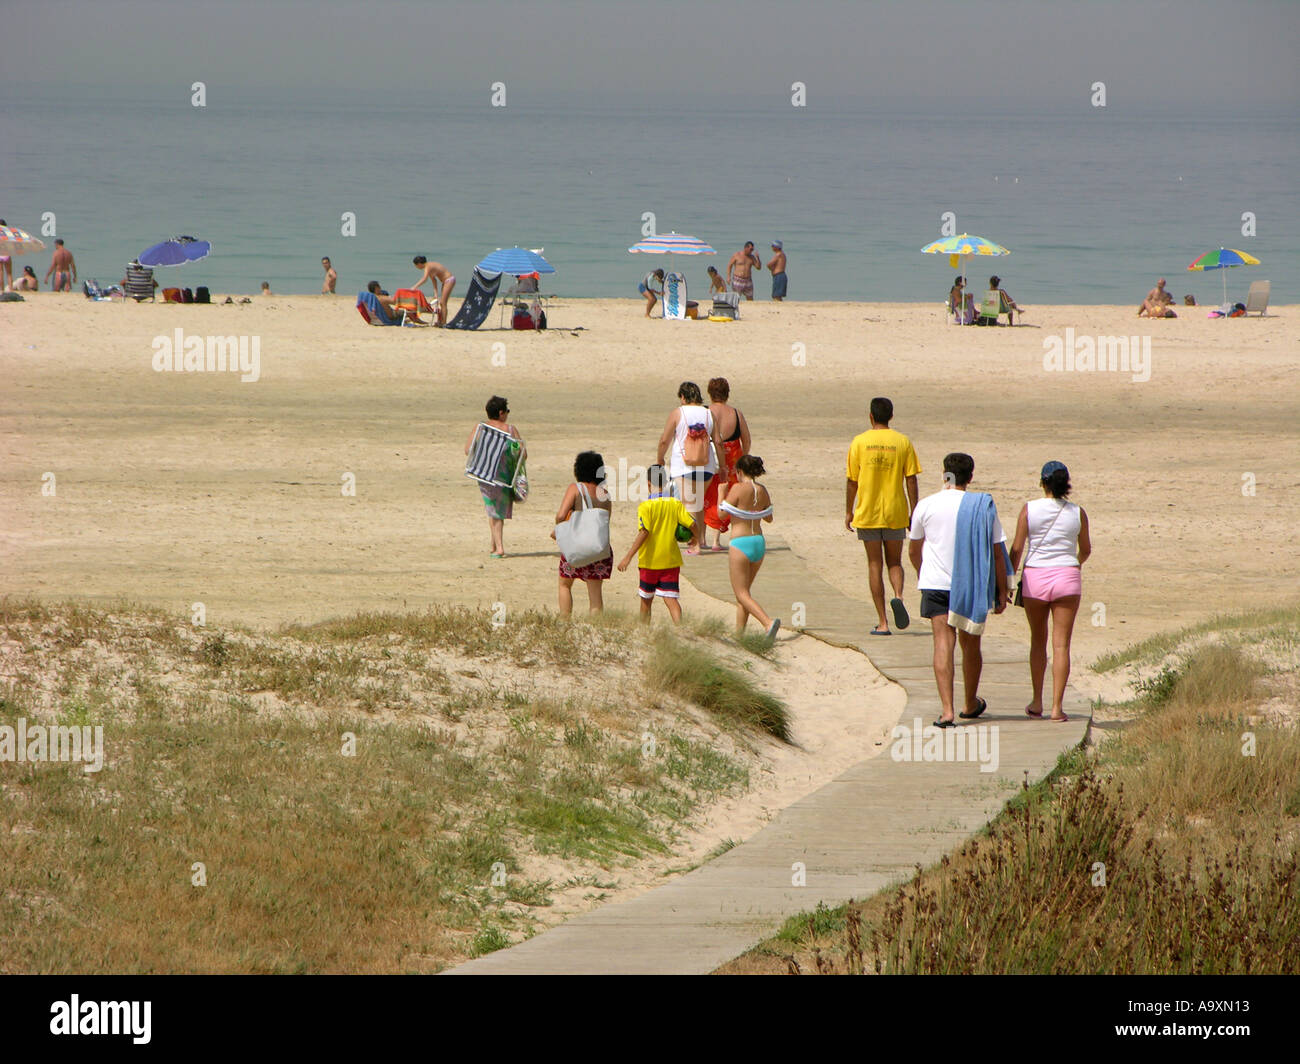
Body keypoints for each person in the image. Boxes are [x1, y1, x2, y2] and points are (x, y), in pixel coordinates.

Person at [908, 453, 1010, 728]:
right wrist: (1002, 590)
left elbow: (914, 549)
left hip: (935, 584)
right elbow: (997, 553)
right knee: (970, 645)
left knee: (943, 643)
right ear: (971, 477)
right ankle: (969, 703)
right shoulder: (981, 506)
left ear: (945, 475)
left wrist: (923, 574)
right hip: (970, 585)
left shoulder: (926, 505)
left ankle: (947, 711)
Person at [1010, 461, 1091, 723]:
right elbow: (1086, 550)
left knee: (1037, 641)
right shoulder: (1078, 513)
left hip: (1035, 577)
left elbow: (1017, 549)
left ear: (1042, 482)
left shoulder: (1029, 509)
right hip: (1067, 577)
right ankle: (1057, 707)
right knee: (1061, 645)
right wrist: (1072, 564)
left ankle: (1037, 701)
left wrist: (1009, 581)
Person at [846, 397, 921, 635]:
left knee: (874, 564)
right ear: (891, 416)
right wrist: (914, 510)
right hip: (895, 511)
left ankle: (883, 622)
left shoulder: (859, 442)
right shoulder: (902, 442)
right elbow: (911, 478)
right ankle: (898, 595)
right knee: (895, 562)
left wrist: (849, 510)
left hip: (868, 511)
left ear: (871, 416)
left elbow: (852, 481)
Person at [617, 464, 696, 624]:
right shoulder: (675, 503)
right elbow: (692, 523)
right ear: (666, 483)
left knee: (646, 601)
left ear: (647, 483)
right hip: (670, 560)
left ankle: (644, 633)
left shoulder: (645, 506)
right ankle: (682, 629)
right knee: (671, 599)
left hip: (649, 562)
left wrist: (628, 556)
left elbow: (644, 532)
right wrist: (696, 538)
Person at [657, 381, 725, 555]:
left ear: (682, 396)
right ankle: (701, 540)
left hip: (684, 465)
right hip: (706, 464)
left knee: (689, 505)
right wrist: (723, 466)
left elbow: (664, 440)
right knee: (698, 504)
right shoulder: (709, 413)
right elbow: (718, 441)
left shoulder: (677, 413)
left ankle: (694, 544)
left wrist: (660, 458)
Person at [722, 455, 780, 640]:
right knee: (745, 593)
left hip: (740, 542)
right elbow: (769, 518)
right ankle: (739, 635)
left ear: (739, 471)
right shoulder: (762, 490)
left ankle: (767, 622)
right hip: (758, 542)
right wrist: (755, 509)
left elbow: (720, 514)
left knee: (741, 593)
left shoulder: (738, 488)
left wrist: (720, 494)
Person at [552, 451, 614, 615]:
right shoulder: (605, 495)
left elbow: (560, 515)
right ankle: (596, 629)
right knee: (595, 595)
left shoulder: (575, 488)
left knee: (565, 584)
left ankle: (565, 622)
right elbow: (605, 523)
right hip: (598, 548)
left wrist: (560, 528)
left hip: (576, 546)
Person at [464, 395, 525, 558]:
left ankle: (499, 548)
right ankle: (494, 546)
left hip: (485, 473)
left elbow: (468, 450)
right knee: (495, 510)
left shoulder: (481, 428)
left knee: (493, 510)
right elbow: (522, 454)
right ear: (501, 413)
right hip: (504, 476)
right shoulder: (510, 430)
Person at [701, 377, 751, 551]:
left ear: (710, 393)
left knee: (706, 496)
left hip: (709, 457)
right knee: (725, 498)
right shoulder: (736, 413)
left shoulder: (704, 412)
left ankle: (701, 538)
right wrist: (743, 459)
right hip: (731, 461)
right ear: (727, 393)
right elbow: (746, 440)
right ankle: (716, 540)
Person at [412, 256, 455, 325]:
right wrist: (435, 294)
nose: (416, 267)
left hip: (449, 280)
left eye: (416, 265)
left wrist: (415, 287)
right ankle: (441, 322)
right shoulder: (429, 266)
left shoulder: (427, 267)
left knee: (443, 303)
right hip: (445, 282)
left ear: (419, 264)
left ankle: (443, 323)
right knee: (441, 303)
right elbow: (434, 280)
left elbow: (424, 279)